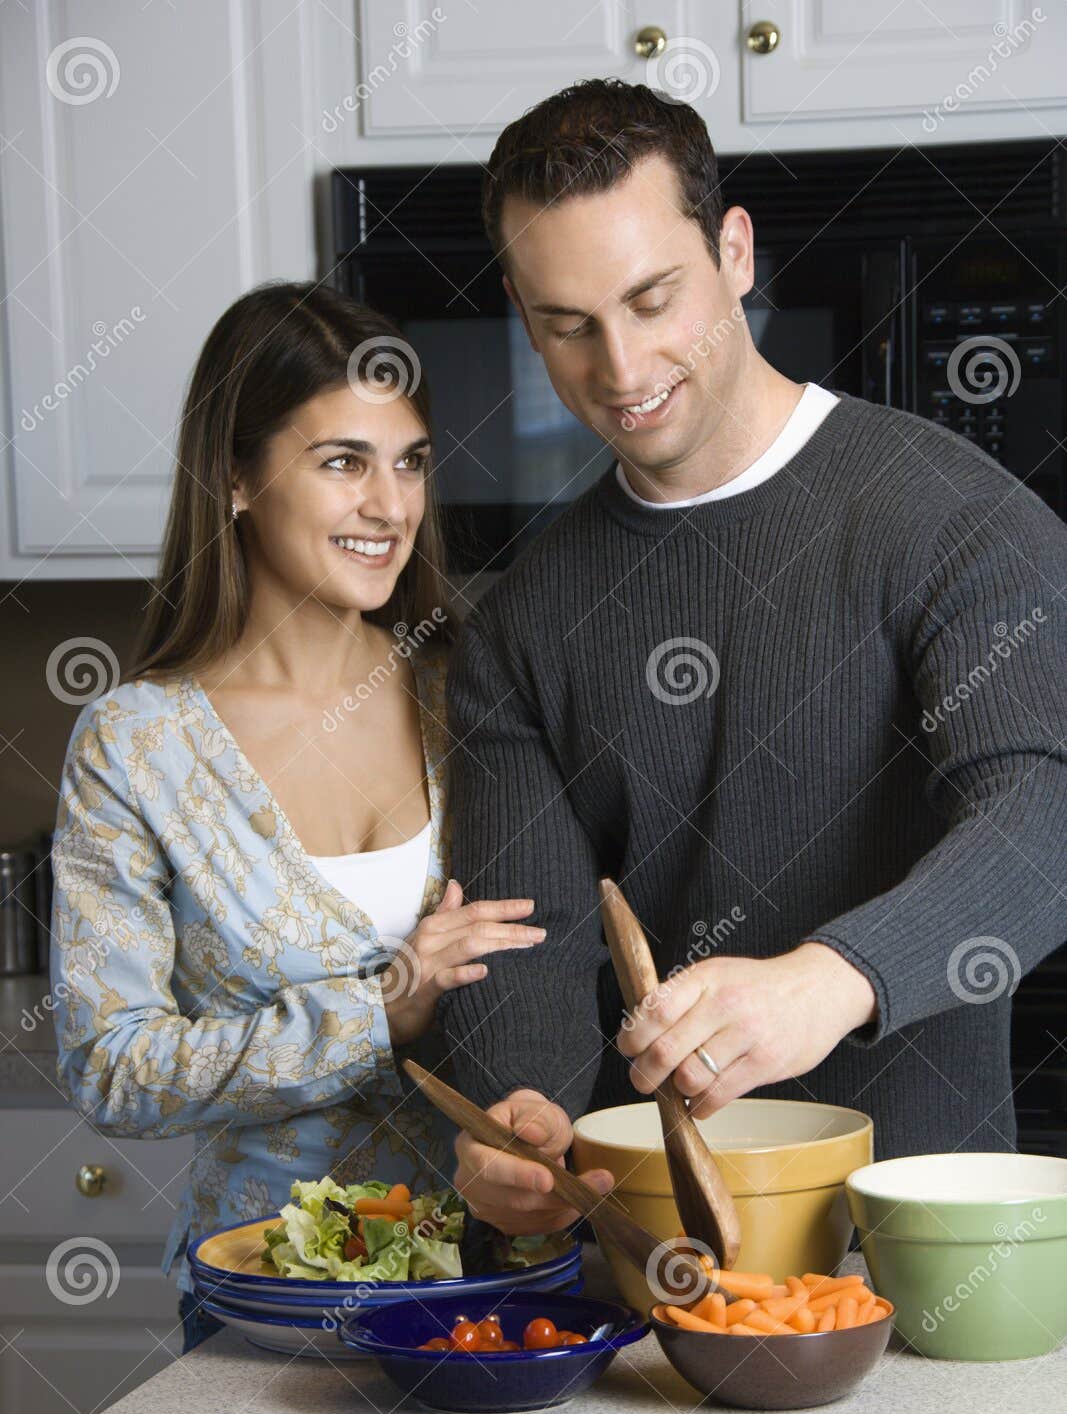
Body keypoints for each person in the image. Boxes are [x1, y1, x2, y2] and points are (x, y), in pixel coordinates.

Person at [440, 79, 1067, 1239]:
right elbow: (520, 945)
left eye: (650, 298)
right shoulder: (518, 619)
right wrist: (512, 1121)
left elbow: (1045, 809)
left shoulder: (952, 517)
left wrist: (829, 978)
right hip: (645, 1269)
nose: (619, 369)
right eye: (566, 324)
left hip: (919, 1256)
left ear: (731, 252)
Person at [49, 282, 547, 1350]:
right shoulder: (138, 743)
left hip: (499, 1289)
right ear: (234, 477)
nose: (389, 505)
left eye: (408, 460)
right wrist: (379, 1012)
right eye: (341, 462)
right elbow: (113, 1069)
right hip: (266, 1305)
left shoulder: (474, 694)